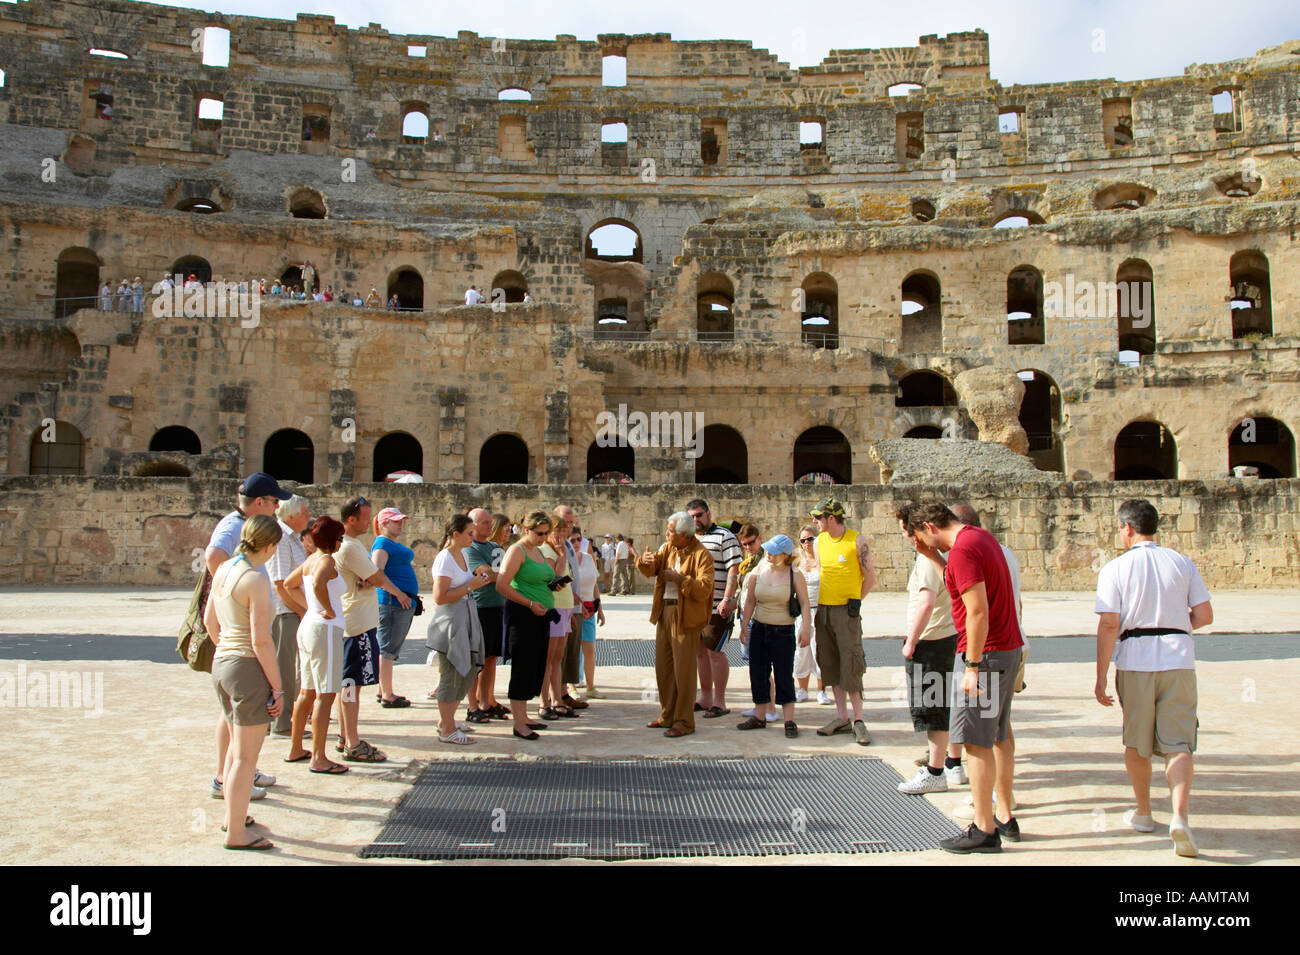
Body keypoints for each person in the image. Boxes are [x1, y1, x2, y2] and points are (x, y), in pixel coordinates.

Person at [1095, 499, 1213, 858]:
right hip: (1178, 658)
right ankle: (1180, 816)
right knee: (1178, 741)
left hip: (1136, 659)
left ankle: (1144, 811)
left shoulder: (1115, 568)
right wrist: (1176, 626)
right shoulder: (1181, 562)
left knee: (1136, 739)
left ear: (1127, 528)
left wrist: (1100, 677)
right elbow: (1205, 614)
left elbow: (1110, 623)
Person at [906, 500, 1024, 853]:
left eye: (918, 536)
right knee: (997, 735)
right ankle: (1003, 816)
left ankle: (984, 829)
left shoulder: (962, 551)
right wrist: (933, 559)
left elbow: (976, 611)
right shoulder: (978, 539)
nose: (923, 544)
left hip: (984, 655)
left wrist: (972, 666)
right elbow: (961, 585)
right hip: (1005, 649)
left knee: (975, 742)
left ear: (928, 526)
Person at [204, 472, 291, 802]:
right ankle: (227, 779)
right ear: (259, 503)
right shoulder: (235, 537)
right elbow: (214, 558)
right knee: (237, 720)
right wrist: (238, 595)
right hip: (242, 647)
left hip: (230, 649)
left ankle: (237, 774)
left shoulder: (239, 555)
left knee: (234, 717)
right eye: (273, 502)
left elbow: (211, 616)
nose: (275, 508)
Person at [202, 515, 284, 850]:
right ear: (270, 546)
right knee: (244, 759)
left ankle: (232, 817)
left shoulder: (223, 570)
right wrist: (277, 687)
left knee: (236, 752)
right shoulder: (254, 579)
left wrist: (226, 648)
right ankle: (236, 833)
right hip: (246, 667)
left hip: (222, 663)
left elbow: (210, 620)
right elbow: (261, 640)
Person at [894, 503, 965, 795]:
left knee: (933, 708)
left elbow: (925, 602)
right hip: (945, 637)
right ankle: (948, 763)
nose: (903, 537)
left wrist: (911, 642)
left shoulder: (926, 561)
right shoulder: (940, 556)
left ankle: (936, 771)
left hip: (931, 640)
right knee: (943, 705)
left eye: (904, 531)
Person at [333, 496, 411, 762]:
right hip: (356, 623)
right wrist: (397, 591)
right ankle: (352, 742)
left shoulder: (349, 545)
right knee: (351, 684)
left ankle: (345, 735)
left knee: (347, 682)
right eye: (366, 517)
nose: (371, 522)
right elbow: (376, 576)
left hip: (354, 621)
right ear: (351, 519)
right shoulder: (350, 547)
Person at [637, 512, 715, 738]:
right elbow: (652, 569)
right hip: (665, 612)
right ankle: (667, 715)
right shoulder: (667, 548)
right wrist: (645, 561)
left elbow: (704, 589)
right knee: (664, 668)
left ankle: (684, 721)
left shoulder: (702, 555)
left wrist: (680, 579)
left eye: (670, 531)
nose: (667, 534)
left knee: (684, 672)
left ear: (683, 534)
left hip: (685, 617)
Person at [282, 516, 348, 774]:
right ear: (333, 540)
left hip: (309, 626)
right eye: (340, 538)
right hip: (325, 629)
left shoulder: (310, 559)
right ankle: (319, 757)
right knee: (326, 692)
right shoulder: (326, 561)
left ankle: (295, 747)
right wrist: (327, 609)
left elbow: (289, 584)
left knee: (307, 690)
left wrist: (309, 607)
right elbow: (320, 583)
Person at [810, 497, 877, 746]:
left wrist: (856, 601)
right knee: (830, 662)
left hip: (846, 612)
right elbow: (820, 572)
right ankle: (841, 717)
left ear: (831, 518)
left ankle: (858, 719)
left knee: (851, 662)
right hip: (824, 610)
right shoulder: (818, 543)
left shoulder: (857, 541)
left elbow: (870, 576)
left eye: (818, 517)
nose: (815, 521)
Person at [428, 515, 493, 744]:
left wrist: (476, 582)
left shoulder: (464, 554)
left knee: (468, 671)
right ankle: (447, 729)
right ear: (455, 534)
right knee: (451, 675)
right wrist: (469, 586)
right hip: (450, 622)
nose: (473, 537)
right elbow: (440, 596)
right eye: (469, 533)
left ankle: (447, 721)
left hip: (466, 618)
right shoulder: (445, 559)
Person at [738, 535, 810, 738]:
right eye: (768, 550)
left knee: (784, 675)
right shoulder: (757, 572)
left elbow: (804, 603)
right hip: (760, 628)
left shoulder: (794, 575)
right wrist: (744, 626)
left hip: (784, 631)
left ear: (785, 555)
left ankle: (789, 720)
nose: (769, 554)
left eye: (774, 552)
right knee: (758, 673)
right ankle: (760, 716)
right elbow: (750, 601)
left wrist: (806, 628)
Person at [495, 510, 558, 740]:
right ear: (526, 530)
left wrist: (552, 587)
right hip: (522, 615)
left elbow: (541, 580)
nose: (543, 537)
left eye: (546, 533)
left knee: (536, 665)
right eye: (539, 533)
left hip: (540, 615)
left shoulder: (538, 551)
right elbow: (502, 585)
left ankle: (525, 716)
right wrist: (530, 603)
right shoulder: (516, 550)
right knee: (522, 667)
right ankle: (518, 723)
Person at [687, 499, 742, 719]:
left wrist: (728, 598)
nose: (696, 520)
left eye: (699, 515)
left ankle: (720, 701)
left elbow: (734, 570)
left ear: (708, 513)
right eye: (691, 516)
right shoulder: (690, 539)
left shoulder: (725, 537)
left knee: (715, 653)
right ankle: (706, 697)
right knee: (700, 653)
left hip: (717, 606)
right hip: (694, 606)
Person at [267, 494, 310, 738]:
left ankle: (284, 719)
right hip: (286, 611)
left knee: (292, 666)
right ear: (291, 515)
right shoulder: (282, 538)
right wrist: (301, 611)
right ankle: (281, 724)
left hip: (293, 608)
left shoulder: (291, 538)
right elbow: (281, 583)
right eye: (305, 512)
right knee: (284, 667)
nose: (308, 516)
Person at [370, 507, 419, 708]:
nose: (400, 524)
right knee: (387, 648)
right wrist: (398, 593)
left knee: (390, 648)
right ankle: (387, 694)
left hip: (400, 602)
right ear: (383, 524)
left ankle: (384, 689)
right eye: (395, 521)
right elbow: (377, 573)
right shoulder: (382, 543)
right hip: (392, 603)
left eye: (401, 521)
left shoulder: (389, 543)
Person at [465, 509, 511, 723]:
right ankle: (472, 705)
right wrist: (503, 575)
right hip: (480, 607)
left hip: (497, 605)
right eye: (483, 523)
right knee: (476, 659)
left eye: (489, 522)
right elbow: (485, 574)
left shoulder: (495, 547)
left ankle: (487, 701)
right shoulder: (470, 549)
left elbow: (501, 574)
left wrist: (500, 576)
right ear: (473, 525)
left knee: (491, 657)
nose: (488, 526)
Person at [538, 508, 578, 720]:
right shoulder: (547, 552)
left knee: (557, 658)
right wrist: (561, 555)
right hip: (553, 608)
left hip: (564, 609)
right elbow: (555, 582)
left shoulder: (559, 550)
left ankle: (557, 700)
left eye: (564, 531)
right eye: (557, 531)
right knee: (548, 658)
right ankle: (544, 702)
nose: (561, 536)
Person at [793, 524, 829, 705]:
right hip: (800, 613)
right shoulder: (796, 563)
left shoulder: (824, 561)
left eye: (810, 539)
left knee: (820, 651)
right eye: (803, 540)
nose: (807, 543)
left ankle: (821, 690)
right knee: (802, 651)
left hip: (819, 610)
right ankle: (802, 689)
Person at [571, 527, 606, 698]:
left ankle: (591, 687)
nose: (576, 543)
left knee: (589, 649)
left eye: (578, 539)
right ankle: (571, 686)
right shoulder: (564, 561)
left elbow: (594, 585)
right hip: (572, 609)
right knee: (571, 650)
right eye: (572, 540)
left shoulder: (588, 559)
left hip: (589, 608)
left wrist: (599, 608)